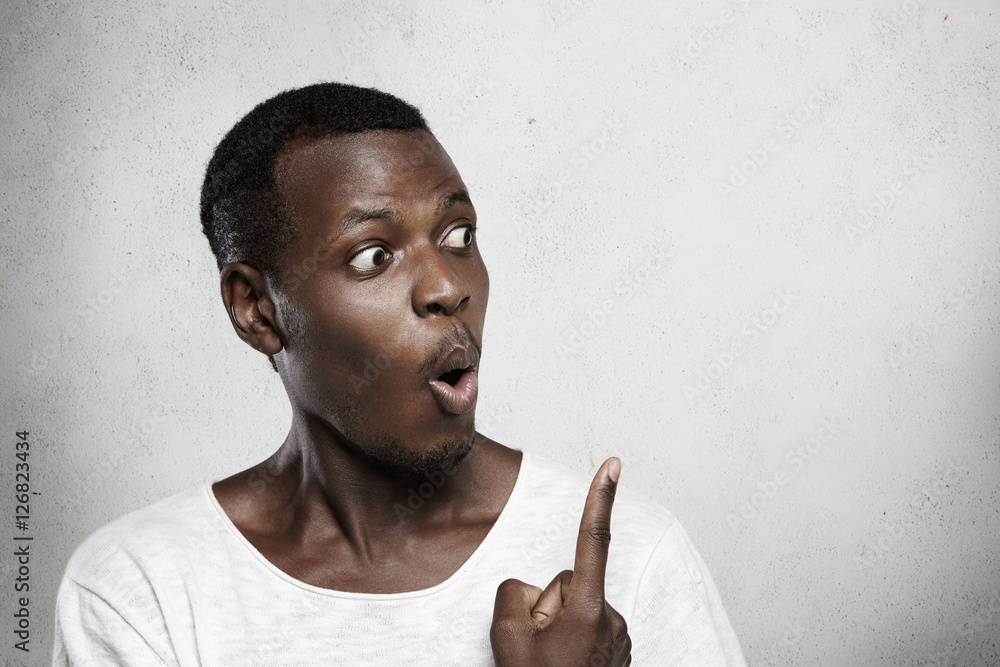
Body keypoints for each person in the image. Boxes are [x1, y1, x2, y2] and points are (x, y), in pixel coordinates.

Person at [53, 82, 747, 665]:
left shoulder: (629, 566)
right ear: (257, 309)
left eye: (458, 235)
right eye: (372, 255)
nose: (448, 285)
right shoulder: (142, 590)